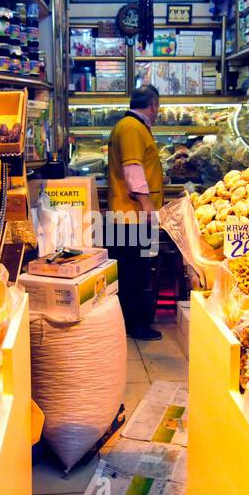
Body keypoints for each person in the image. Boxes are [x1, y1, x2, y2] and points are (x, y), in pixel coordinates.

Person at [106, 84, 164, 340]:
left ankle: (134, 322)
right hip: (131, 217)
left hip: (133, 215)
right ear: (153, 105)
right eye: (158, 107)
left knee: (137, 270)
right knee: (133, 273)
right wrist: (147, 205)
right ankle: (134, 325)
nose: (158, 112)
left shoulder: (133, 127)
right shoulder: (131, 128)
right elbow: (132, 169)